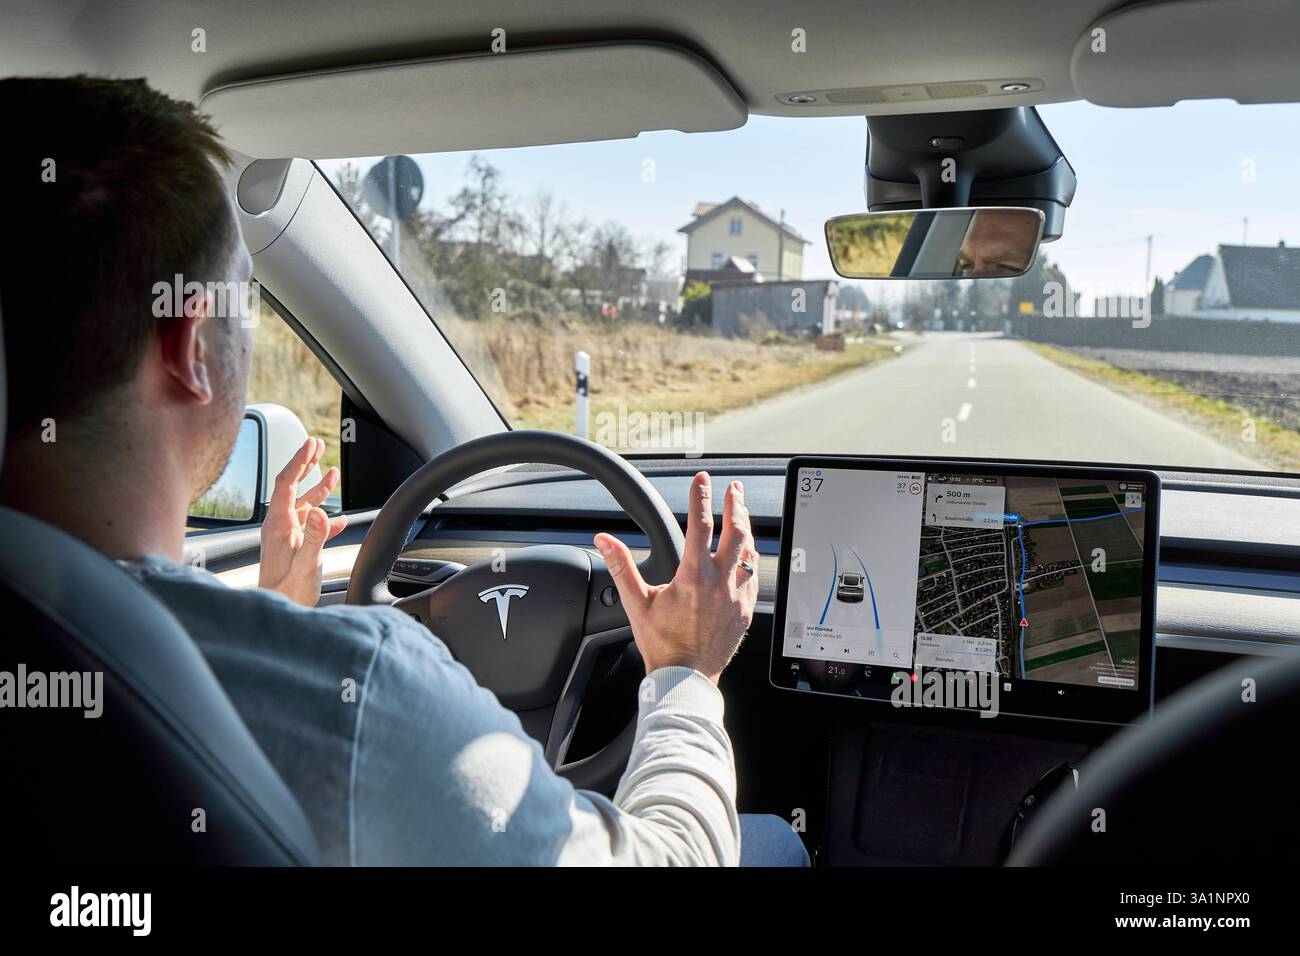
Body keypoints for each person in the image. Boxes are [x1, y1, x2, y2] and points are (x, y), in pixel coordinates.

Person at [0, 75, 808, 866]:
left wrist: (283, 614)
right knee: (771, 841)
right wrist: (684, 672)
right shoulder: (356, 689)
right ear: (190, 348)